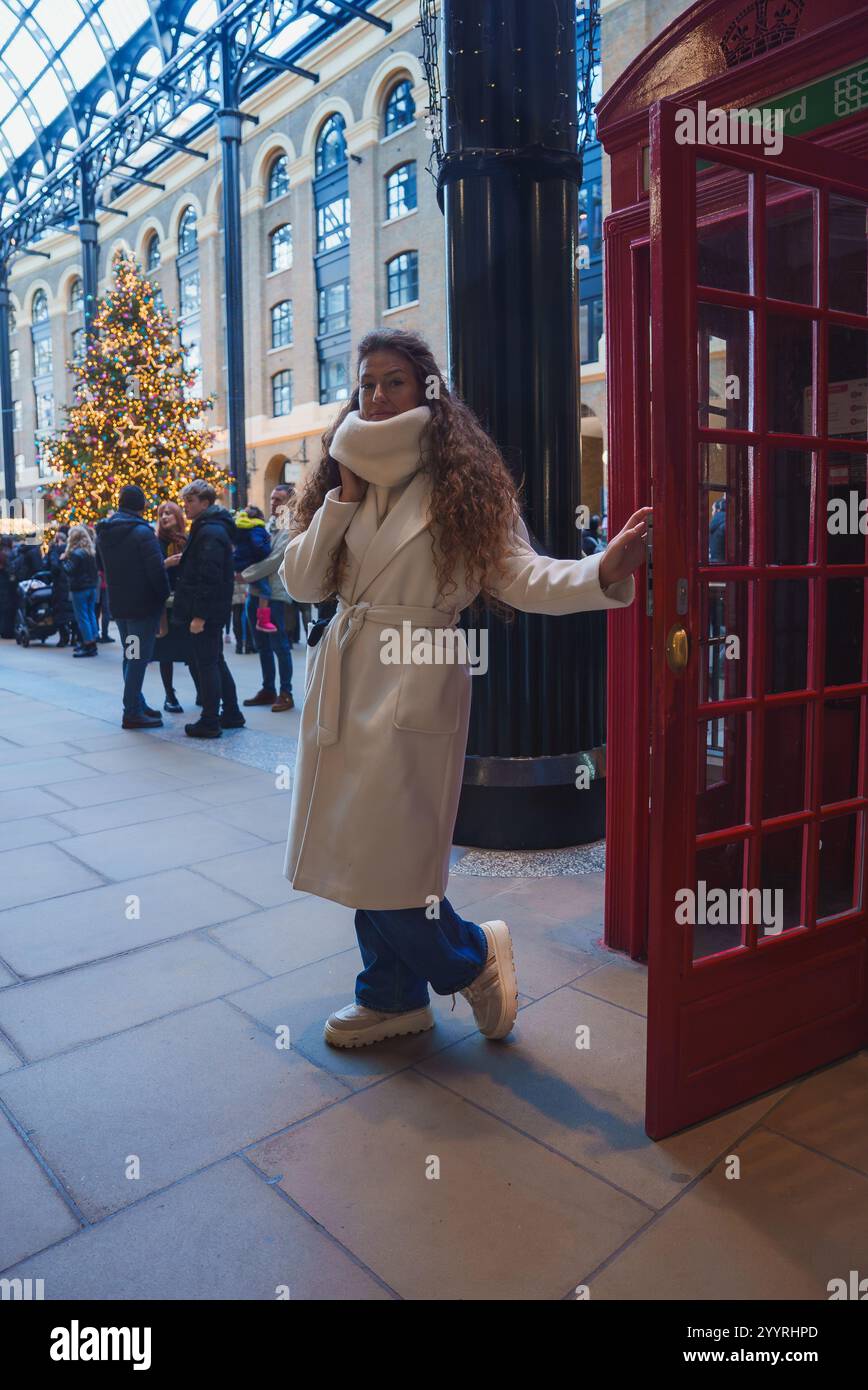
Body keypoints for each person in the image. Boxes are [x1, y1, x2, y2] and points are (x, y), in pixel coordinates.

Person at [280, 327, 650, 1050]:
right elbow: (300, 583)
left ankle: (472, 953)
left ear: (426, 390)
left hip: (416, 677)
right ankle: (389, 995)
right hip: (347, 673)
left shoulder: (461, 482)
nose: (377, 397)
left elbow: (520, 574)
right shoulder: (341, 476)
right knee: (357, 851)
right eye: (367, 384)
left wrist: (602, 572)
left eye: (393, 381)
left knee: (389, 858)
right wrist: (341, 504)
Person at [172, 479, 246, 739]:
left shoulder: (210, 531)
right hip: (212, 609)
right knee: (215, 661)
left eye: (190, 501)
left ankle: (210, 720)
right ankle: (232, 713)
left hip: (206, 611)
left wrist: (200, 615)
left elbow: (209, 576)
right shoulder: (208, 527)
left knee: (207, 665)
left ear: (205, 502)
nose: (186, 506)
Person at [96, 484, 171, 729]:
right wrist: (163, 596)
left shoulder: (106, 532)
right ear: (141, 505)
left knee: (131, 655)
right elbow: (156, 570)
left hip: (121, 606)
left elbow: (100, 565)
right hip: (141, 607)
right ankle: (131, 710)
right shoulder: (142, 532)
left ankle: (137, 702)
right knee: (138, 657)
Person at [241, 482, 298, 712]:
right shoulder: (269, 524)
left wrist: (245, 574)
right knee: (261, 644)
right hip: (255, 592)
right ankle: (268, 689)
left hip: (274, 594)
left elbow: (276, 559)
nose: (273, 503)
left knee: (279, 645)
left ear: (290, 503)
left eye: (279, 499)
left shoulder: (290, 526)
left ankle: (286, 693)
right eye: (272, 498)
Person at [154, 500, 188, 713]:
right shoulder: (156, 542)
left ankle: (202, 693)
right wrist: (166, 564)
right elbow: (149, 571)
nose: (165, 517)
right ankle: (170, 695)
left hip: (185, 603)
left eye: (169, 513)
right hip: (164, 605)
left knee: (191, 651)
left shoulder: (188, 540)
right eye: (161, 514)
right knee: (165, 653)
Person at [233, 506, 276, 632]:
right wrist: (267, 547)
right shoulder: (257, 529)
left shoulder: (241, 528)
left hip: (240, 563)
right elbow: (259, 547)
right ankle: (263, 620)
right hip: (250, 564)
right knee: (266, 591)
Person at [62, 526, 100, 658]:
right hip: (91, 587)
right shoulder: (90, 552)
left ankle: (88, 644)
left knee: (82, 617)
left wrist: (63, 560)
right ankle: (92, 641)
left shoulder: (76, 554)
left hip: (80, 589)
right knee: (91, 615)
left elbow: (69, 570)